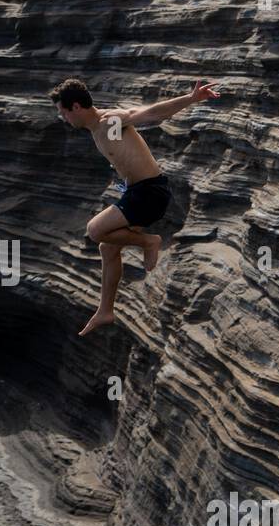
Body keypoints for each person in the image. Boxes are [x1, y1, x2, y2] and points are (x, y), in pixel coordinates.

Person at [50, 77, 220, 336]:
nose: (63, 118)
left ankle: (149, 242)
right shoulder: (96, 129)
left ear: (75, 107)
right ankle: (105, 310)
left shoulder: (109, 121)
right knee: (108, 247)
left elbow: (150, 113)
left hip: (150, 192)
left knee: (95, 230)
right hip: (137, 192)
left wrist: (191, 98)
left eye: (63, 112)